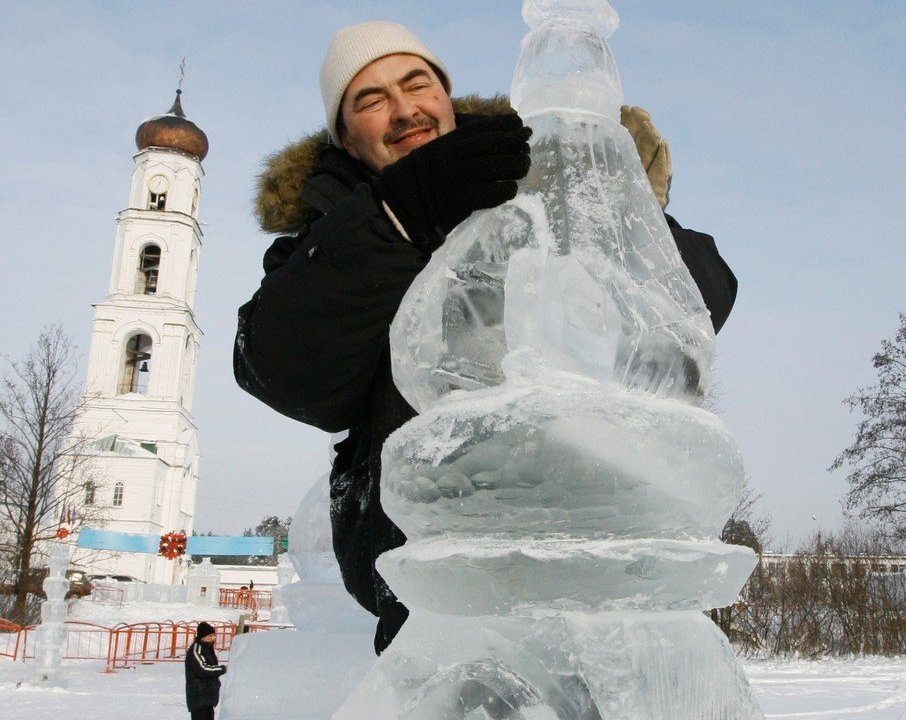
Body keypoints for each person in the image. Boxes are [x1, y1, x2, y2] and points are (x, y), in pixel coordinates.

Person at [233, 21, 738, 654]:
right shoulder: (327, 233)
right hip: (440, 582)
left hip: (608, 547)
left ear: (446, 97)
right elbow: (280, 366)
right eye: (371, 99)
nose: (404, 109)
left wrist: (618, 202)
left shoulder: (535, 177)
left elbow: (700, 305)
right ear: (345, 137)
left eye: (417, 83)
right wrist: (398, 213)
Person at [184, 622, 227, 720]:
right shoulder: (197, 649)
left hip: (207, 696)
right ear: (202, 637)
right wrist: (222, 669)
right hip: (199, 696)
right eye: (210, 636)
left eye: (214, 635)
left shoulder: (207, 648)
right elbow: (203, 669)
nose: (213, 638)